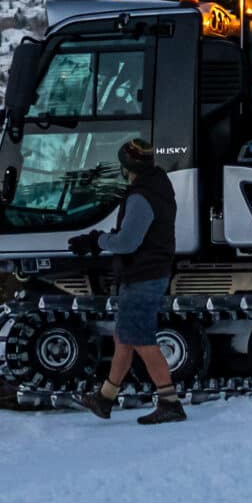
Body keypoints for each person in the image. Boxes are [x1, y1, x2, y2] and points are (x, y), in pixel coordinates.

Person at [68, 136, 186, 425]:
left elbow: (128, 241)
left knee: (142, 339)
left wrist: (96, 241)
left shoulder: (141, 196)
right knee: (125, 337)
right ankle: (105, 398)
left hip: (142, 274)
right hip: (149, 271)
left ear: (127, 166)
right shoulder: (157, 187)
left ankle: (169, 402)